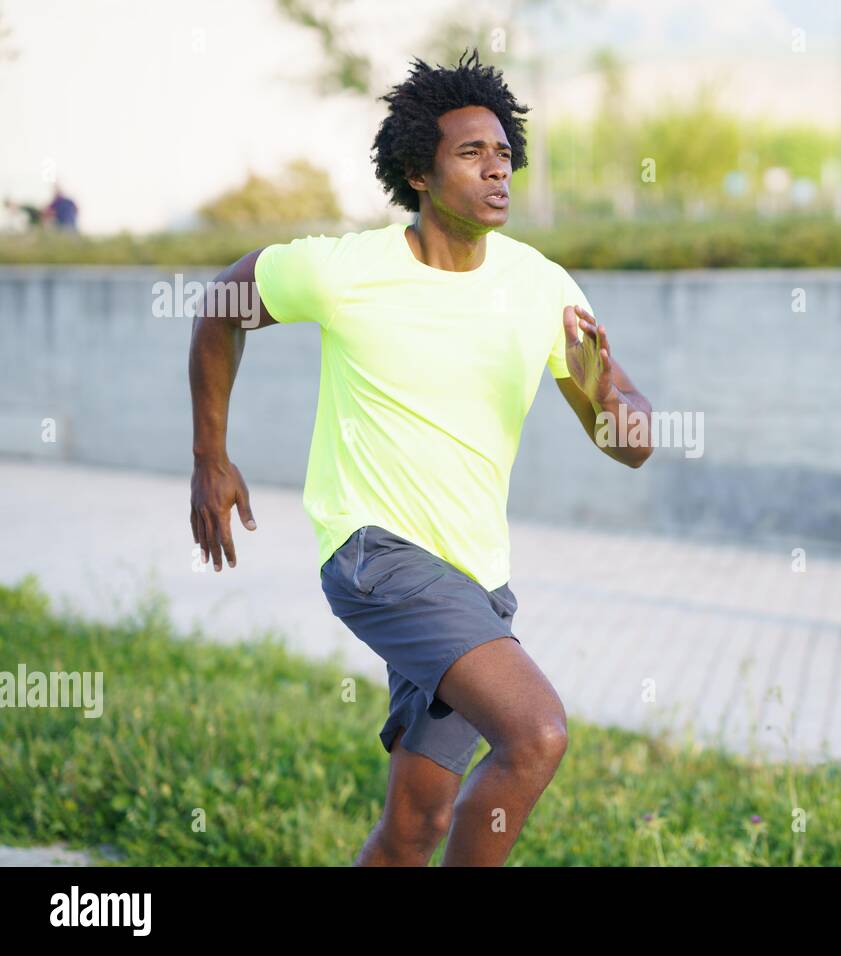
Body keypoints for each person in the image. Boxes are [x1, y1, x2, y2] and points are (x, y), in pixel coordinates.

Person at [187, 48, 654, 867]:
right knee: (536, 732)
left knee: (416, 823)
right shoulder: (344, 270)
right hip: (375, 556)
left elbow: (630, 447)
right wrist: (210, 457)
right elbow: (221, 307)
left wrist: (613, 399)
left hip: (475, 584)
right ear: (421, 173)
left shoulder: (541, 286)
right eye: (472, 153)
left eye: (505, 153)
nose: (497, 169)